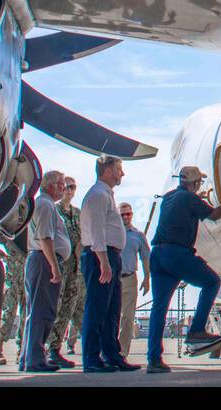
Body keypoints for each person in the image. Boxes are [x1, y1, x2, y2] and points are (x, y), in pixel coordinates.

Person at [145, 166, 221, 373]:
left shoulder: (169, 197)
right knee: (212, 282)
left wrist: (197, 199)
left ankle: (154, 359)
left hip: (158, 254)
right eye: (199, 183)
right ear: (194, 183)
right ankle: (196, 330)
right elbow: (215, 214)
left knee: (159, 308)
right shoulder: (189, 199)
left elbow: (183, 206)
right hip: (177, 254)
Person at [79, 156, 137, 373]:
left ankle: (112, 354)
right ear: (108, 171)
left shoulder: (106, 195)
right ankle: (91, 358)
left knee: (112, 309)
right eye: (119, 169)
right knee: (97, 308)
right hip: (100, 256)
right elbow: (96, 231)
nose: (122, 174)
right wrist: (103, 261)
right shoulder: (98, 195)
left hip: (110, 255)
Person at [21, 171, 71, 373]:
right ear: (50, 186)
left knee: (37, 311)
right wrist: (54, 267)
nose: (64, 189)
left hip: (41, 260)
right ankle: (35, 359)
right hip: (44, 260)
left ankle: (29, 357)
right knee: (43, 311)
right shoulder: (46, 205)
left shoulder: (43, 204)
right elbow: (45, 238)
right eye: (61, 184)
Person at [48, 176, 84, 365]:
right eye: (67, 187)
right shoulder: (53, 210)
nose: (69, 190)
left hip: (77, 268)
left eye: (73, 187)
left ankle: (56, 349)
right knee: (55, 306)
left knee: (71, 307)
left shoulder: (78, 213)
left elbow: (84, 236)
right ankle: (49, 349)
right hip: (59, 264)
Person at [0, 226, 26, 366]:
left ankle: (22, 351)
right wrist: (3, 257)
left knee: (27, 315)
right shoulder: (9, 228)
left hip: (28, 277)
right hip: (12, 278)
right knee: (7, 315)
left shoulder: (31, 227)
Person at [117, 202, 151, 358]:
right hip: (112, 279)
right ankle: (109, 351)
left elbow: (145, 257)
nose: (125, 217)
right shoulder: (111, 232)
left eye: (128, 214)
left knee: (127, 318)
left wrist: (147, 278)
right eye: (122, 214)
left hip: (130, 279)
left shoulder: (138, 235)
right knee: (111, 317)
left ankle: (122, 352)